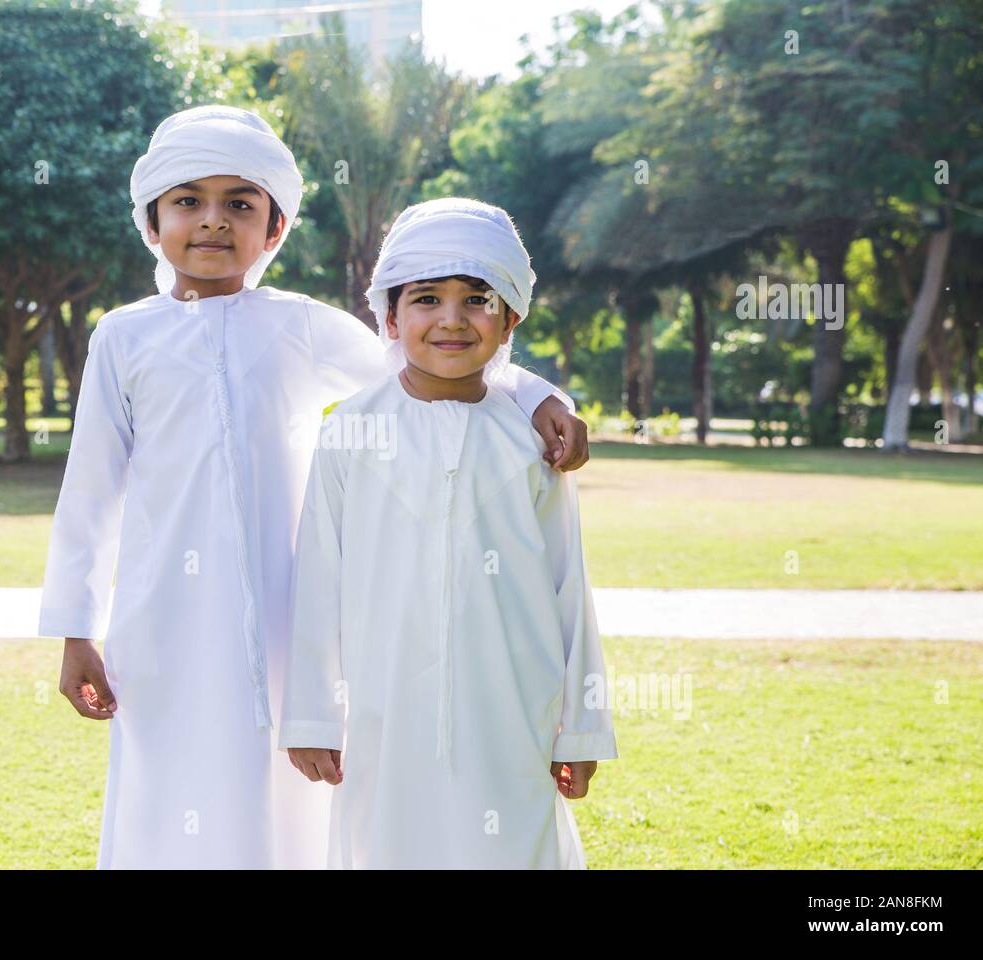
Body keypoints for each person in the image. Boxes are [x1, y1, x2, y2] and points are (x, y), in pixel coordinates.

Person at [38, 107, 591, 868]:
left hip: (284, 619)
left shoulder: (298, 324)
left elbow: (429, 354)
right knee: (165, 796)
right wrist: (76, 630)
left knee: (290, 800)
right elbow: (90, 493)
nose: (212, 221)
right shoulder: (122, 337)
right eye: (188, 200)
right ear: (150, 221)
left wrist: (537, 395)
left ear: (274, 230)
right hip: (159, 621)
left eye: (240, 203)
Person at [279, 197, 617, 868]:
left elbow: (567, 586)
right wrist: (314, 717)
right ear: (392, 315)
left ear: (511, 315)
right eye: (428, 299)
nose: (453, 320)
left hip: (512, 715)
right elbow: (319, 580)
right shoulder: (350, 427)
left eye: (479, 299)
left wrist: (581, 726)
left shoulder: (531, 437)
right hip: (384, 713)